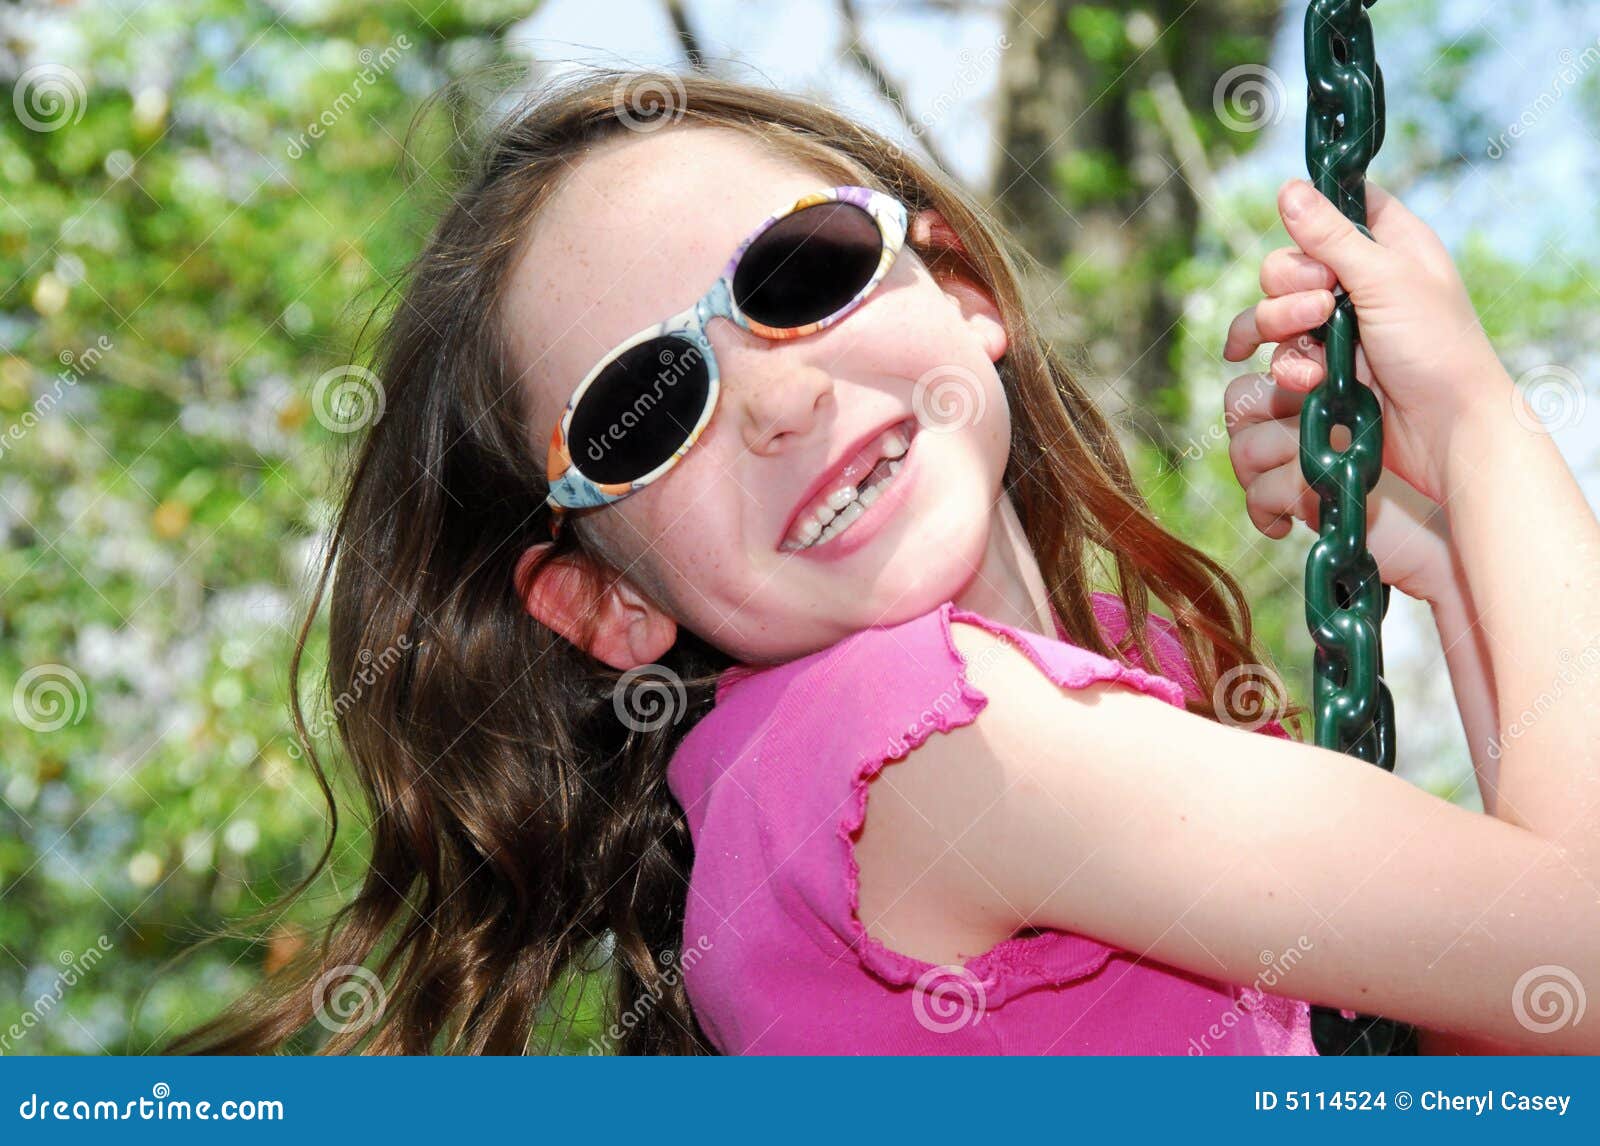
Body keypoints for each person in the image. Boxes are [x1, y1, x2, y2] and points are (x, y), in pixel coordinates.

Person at [174, 70, 1598, 1055]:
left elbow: (1518, 1018)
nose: (777, 398)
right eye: (644, 409)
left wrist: (1456, 556)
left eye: (801, 273)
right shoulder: (910, 741)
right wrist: (1479, 424)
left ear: (960, 288)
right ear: (607, 599)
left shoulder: (1063, 700)